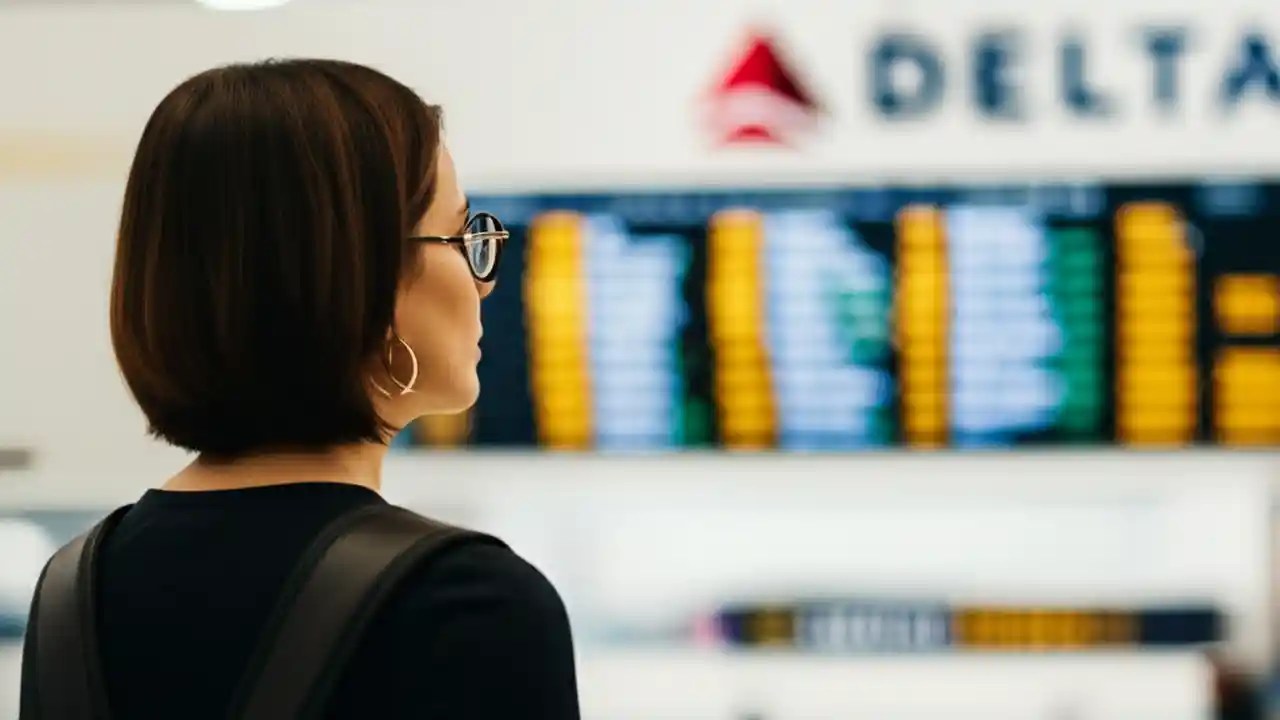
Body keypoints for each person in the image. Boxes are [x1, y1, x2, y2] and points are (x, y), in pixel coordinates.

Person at [19, 59, 580, 719]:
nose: (483, 279)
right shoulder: (466, 603)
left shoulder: (71, 590)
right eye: (461, 237)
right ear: (367, 283)